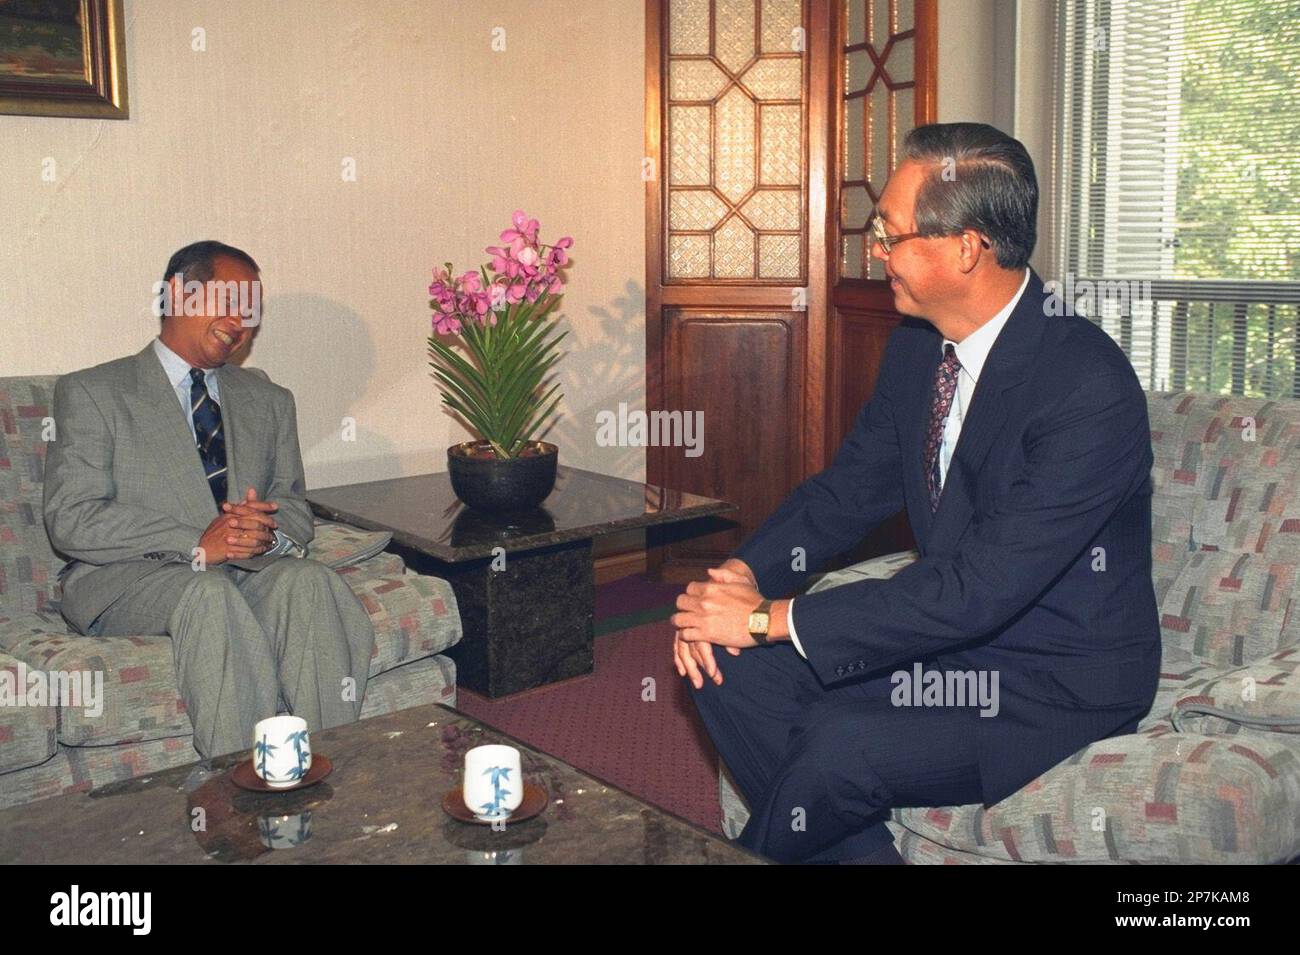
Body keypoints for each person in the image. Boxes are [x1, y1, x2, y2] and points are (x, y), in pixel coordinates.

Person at [673, 123, 1160, 864]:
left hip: (1049, 673)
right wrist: (740, 579)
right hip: (950, 638)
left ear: (966, 248)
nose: (875, 250)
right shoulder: (917, 346)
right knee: (725, 664)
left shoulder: (1086, 386)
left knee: (843, 740)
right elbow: (845, 493)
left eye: (891, 233)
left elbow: (976, 590)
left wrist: (770, 618)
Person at [43, 240, 375, 759]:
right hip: (133, 579)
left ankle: (323, 766)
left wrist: (263, 531)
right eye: (230, 301)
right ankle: (241, 783)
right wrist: (198, 543)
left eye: (251, 311)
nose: (240, 322)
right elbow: (73, 517)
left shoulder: (269, 400)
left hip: (248, 570)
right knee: (209, 595)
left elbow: (291, 503)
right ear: (178, 293)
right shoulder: (93, 392)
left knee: (310, 582)